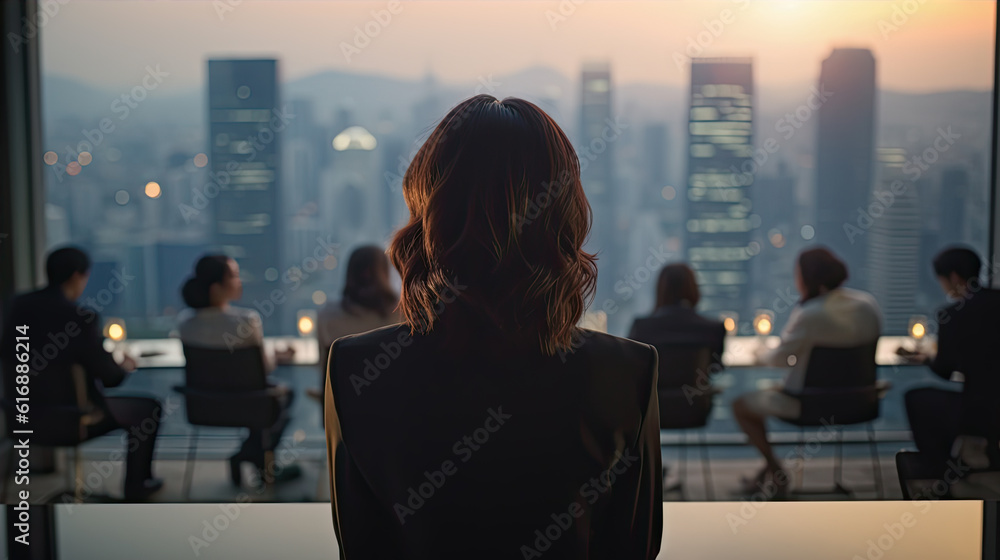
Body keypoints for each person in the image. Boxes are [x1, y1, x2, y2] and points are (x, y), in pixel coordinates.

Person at [324, 95, 662, 559]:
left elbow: (361, 547)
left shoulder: (354, 369)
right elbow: (632, 548)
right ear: (565, 216)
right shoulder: (627, 373)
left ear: (427, 215)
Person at [0, 247, 163, 500]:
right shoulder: (79, 318)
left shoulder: (16, 308)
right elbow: (111, 378)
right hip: (72, 420)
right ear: (78, 276)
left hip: (18, 418)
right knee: (148, 409)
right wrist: (125, 364)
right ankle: (137, 488)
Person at [732, 247, 881, 495]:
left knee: (741, 405)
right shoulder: (868, 305)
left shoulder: (811, 314)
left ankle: (776, 471)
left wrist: (759, 352)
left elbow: (780, 359)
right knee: (775, 389)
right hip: (860, 402)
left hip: (810, 405)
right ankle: (768, 472)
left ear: (806, 278)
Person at [176, 255, 300, 486]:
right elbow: (262, 368)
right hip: (248, 403)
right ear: (216, 288)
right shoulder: (247, 321)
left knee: (261, 398)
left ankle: (252, 455)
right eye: (233, 275)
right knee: (283, 395)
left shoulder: (186, 323)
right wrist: (278, 356)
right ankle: (255, 457)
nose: (239, 280)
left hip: (204, 405)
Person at [899, 247, 1000, 485]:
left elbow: (945, 370)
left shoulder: (953, 315)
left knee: (916, 398)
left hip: (980, 411)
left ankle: (939, 469)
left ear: (953, 277)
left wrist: (925, 359)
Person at [315, 245, 401, 395]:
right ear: (384, 273)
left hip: (345, 409)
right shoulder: (405, 315)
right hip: (396, 404)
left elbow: (324, 371)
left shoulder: (327, 316)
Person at [628, 262, 726, 364]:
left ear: (661, 290)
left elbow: (632, 363)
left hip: (655, 380)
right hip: (695, 381)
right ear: (694, 290)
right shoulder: (713, 329)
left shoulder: (641, 328)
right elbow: (715, 367)